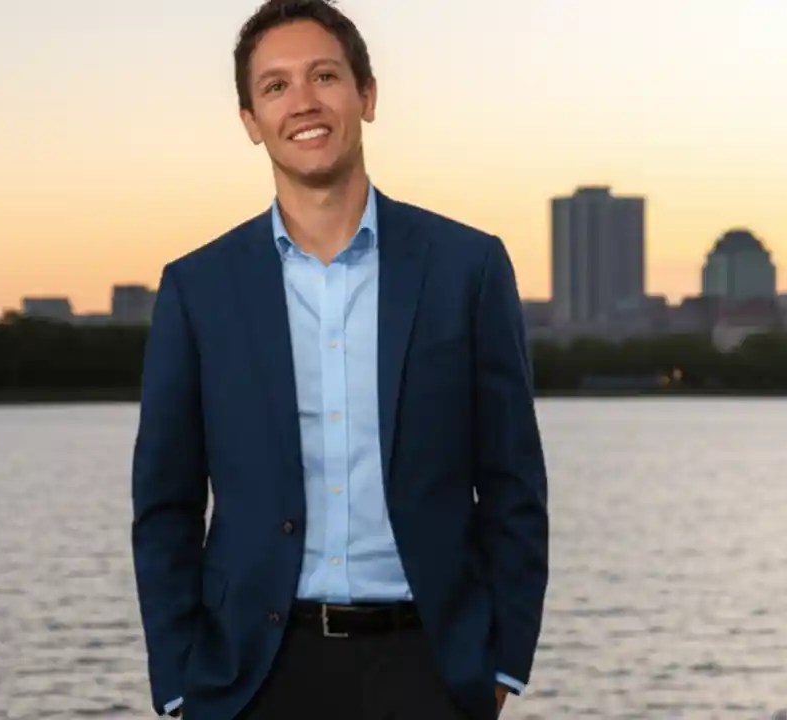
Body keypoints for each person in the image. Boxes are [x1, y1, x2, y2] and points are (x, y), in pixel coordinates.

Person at [130, 1, 549, 718]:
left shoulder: (467, 268)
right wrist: (178, 682)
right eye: (275, 86)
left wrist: (502, 664)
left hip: (430, 670)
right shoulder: (198, 289)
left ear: (367, 94)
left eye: (324, 76)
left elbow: (513, 484)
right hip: (252, 677)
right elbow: (165, 506)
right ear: (249, 121)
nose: (304, 102)